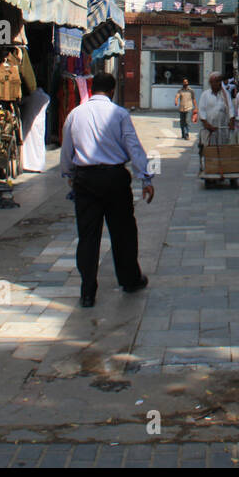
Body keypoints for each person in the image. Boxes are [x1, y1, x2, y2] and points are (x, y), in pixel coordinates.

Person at [60, 72, 153, 308]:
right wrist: (146, 178)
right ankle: (130, 280)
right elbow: (134, 146)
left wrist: (70, 174)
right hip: (115, 179)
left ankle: (87, 292)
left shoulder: (75, 114)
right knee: (123, 232)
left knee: (88, 236)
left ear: (92, 88)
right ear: (112, 90)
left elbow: (66, 149)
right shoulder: (120, 114)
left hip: (85, 180)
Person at [197, 72, 232, 152]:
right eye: (216, 81)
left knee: (222, 150)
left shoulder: (225, 94)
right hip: (209, 129)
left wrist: (232, 120)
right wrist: (207, 124)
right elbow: (201, 110)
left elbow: (230, 108)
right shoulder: (205, 95)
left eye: (219, 81)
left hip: (222, 128)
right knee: (210, 151)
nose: (218, 83)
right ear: (211, 83)